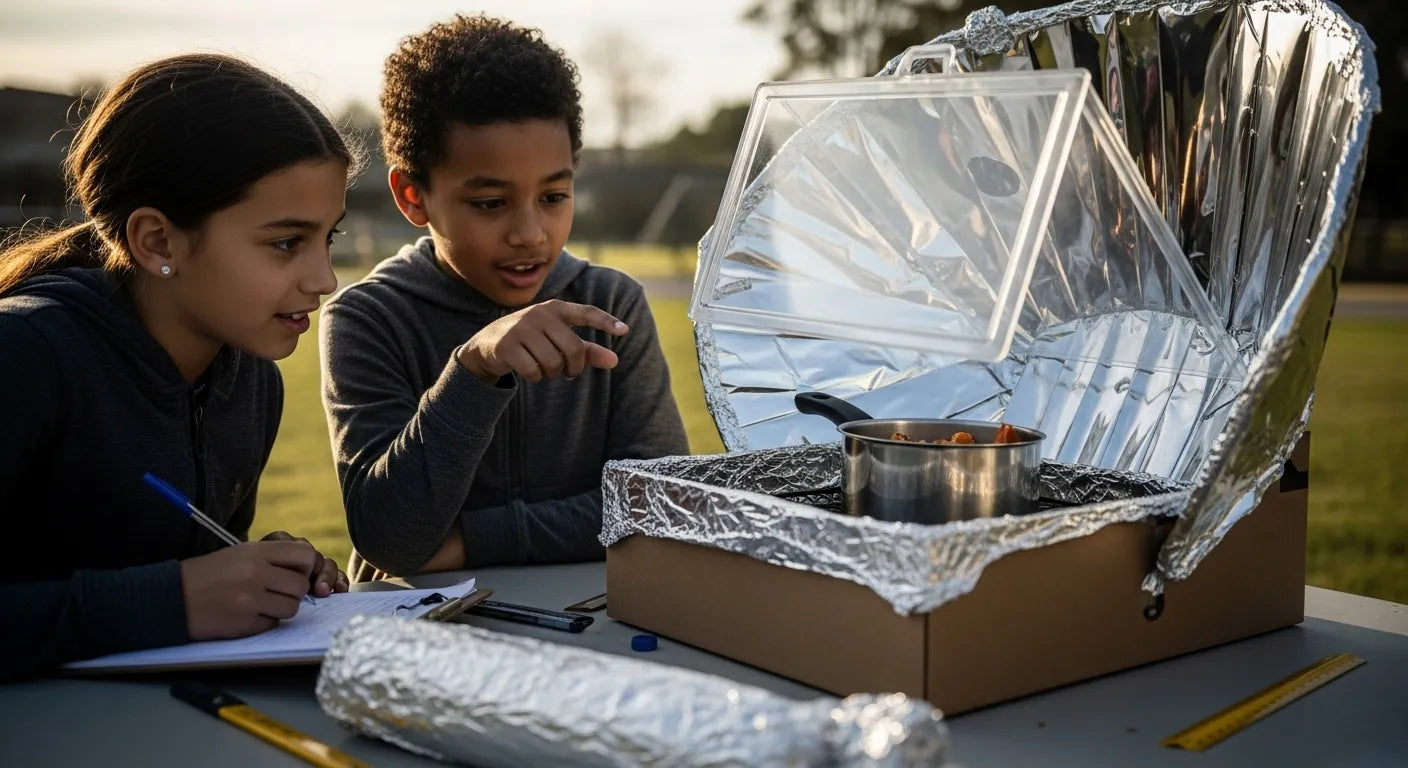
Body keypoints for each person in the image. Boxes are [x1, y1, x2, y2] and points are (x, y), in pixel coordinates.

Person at [0, 54, 356, 680]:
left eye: (328, 238)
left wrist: (255, 576)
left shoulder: (253, 383)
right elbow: (162, 601)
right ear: (157, 241)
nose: (324, 279)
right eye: (285, 243)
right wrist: (174, 600)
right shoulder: (25, 354)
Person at [321, 15, 689, 580]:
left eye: (554, 196)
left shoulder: (613, 305)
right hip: (422, 629)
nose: (530, 234)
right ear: (412, 195)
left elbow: (665, 505)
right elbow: (392, 539)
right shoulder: (367, 319)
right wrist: (473, 371)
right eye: (491, 203)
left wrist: (471, 540)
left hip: (589, 623)